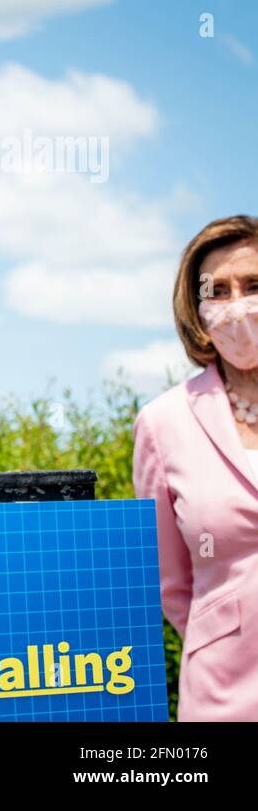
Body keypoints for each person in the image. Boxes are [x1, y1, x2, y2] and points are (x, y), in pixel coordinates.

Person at [133, 214, 258, 721]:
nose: (238, 305)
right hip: (224, 696)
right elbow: (170, 583)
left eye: (253, 285)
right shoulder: (163, 423)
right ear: (197, 308)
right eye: (219, 290)